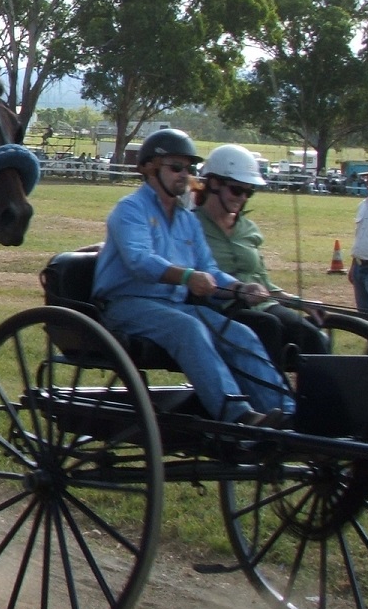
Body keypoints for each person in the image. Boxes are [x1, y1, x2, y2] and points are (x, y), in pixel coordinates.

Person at [93, 129, 290, 425]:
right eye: (175, 167)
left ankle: (286, 413)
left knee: (240, 334)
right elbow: (139, 262)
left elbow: (208, 270)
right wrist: (187, 277)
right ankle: (237, 417)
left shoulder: (187, 219)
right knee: (188, 328)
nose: (184, 175)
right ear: (149, 168)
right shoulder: (130, 209)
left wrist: (239, 287)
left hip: (173, 307)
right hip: (127, 304)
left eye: (190, 168)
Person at [194, 145, 328, 365]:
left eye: (249, 192)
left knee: (309, 333)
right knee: (268, 327)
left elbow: (265, 284)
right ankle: (272, 396)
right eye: (237, 190)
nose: (243, 197)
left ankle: (321, 398)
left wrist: (299, 302)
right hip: (218, 308)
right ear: (214, 183)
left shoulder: (249, 229)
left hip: (263, 306)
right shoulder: (190, 225)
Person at [352, 191, 368, 316]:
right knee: (363, 317)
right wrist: (353, 266)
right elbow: (359, 237)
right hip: (359, 267)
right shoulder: (363, 205)